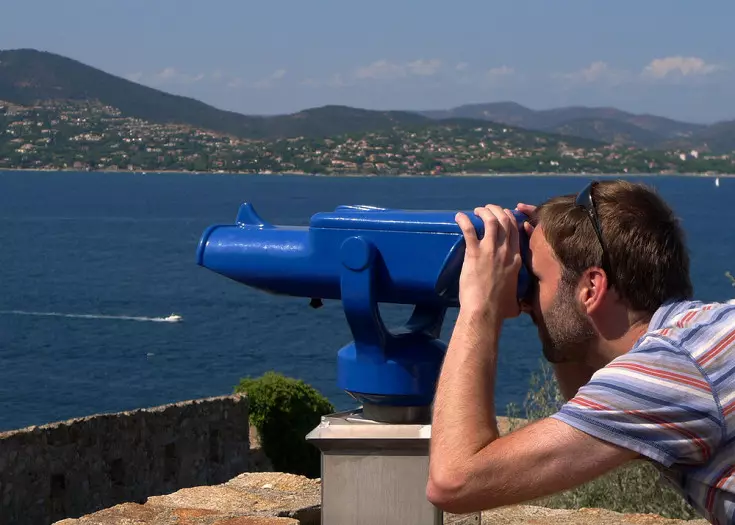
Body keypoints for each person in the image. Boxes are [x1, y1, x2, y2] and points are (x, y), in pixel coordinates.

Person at [426, 179, 735, 525]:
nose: (527, 300)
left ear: (591, 287)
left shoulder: (671, 370)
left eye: (536, 279)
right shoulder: (703, 339)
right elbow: (593, 414)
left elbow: (454, 481)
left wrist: (479, 306)